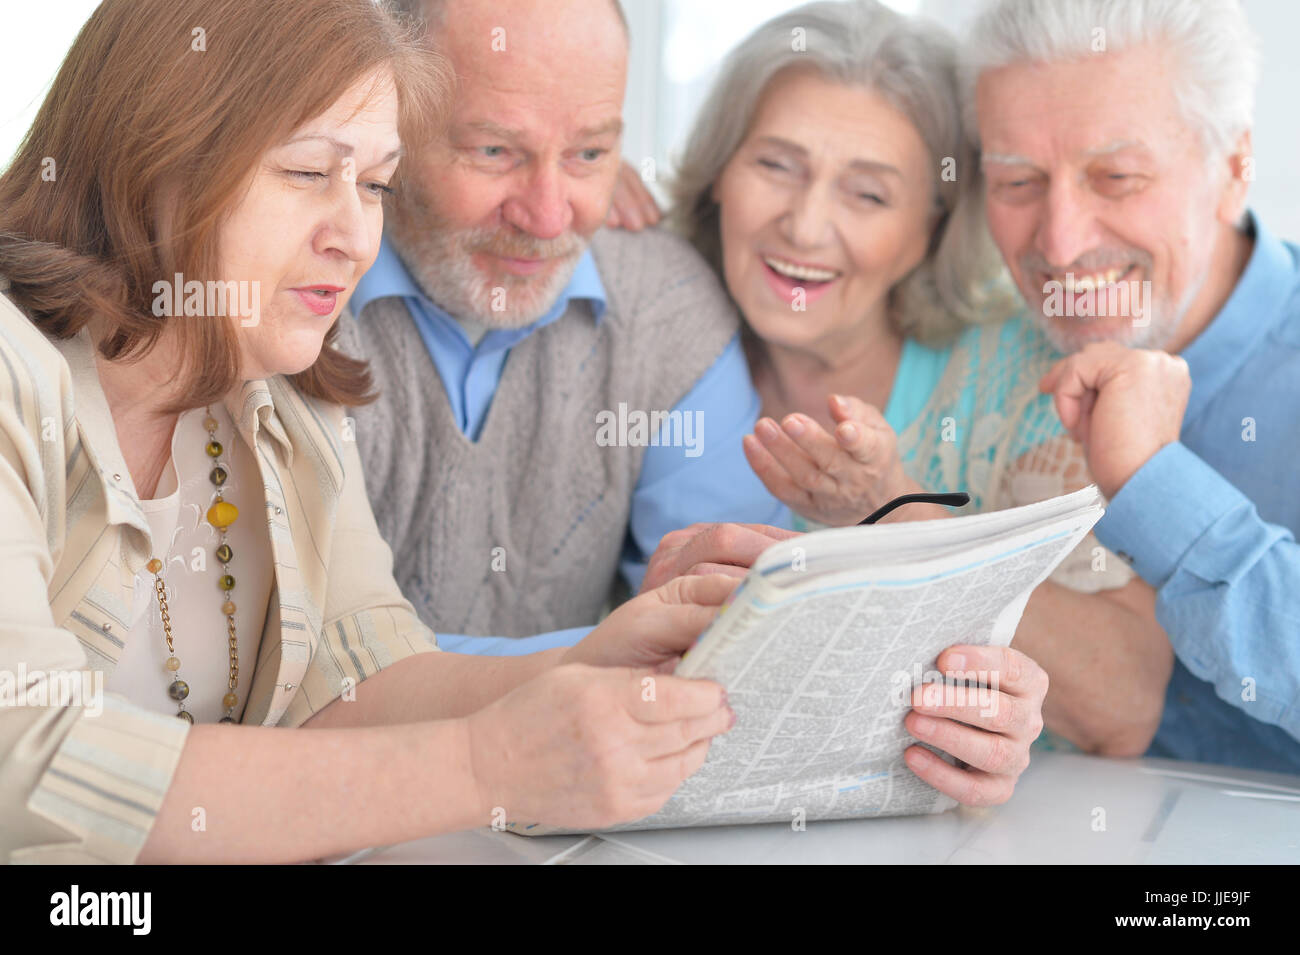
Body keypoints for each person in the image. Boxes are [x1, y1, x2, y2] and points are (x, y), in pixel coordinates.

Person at [0, 0, 741, 864]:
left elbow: (357, 680)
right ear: (160, 158)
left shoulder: (284, 394)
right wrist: (483, 762)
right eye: (312, 172)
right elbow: (33, 761)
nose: (355, 237)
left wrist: (593, 663)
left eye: (376, 184)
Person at [613, 0, 1170, 758]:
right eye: (776, 165)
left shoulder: (1030, 374)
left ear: (930, 227)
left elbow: (1126, 704)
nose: (806, 226)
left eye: (868, 193)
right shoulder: (651, 336)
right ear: (716, 176)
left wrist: (892, 510)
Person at [335, 0, 786, 654]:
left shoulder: (665, 307)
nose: (549, 217)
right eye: (495, 150)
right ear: (387, 121)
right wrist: (607, 656)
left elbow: (744, 632)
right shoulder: (296, 303)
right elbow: (300, 672)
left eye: (589, 153)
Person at [967, 0, 1300, 772]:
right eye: (1017, 181)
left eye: (1116, 178)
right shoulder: (985, 361)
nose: (1059, 242)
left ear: (1233, 169)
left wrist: (1156, 484)